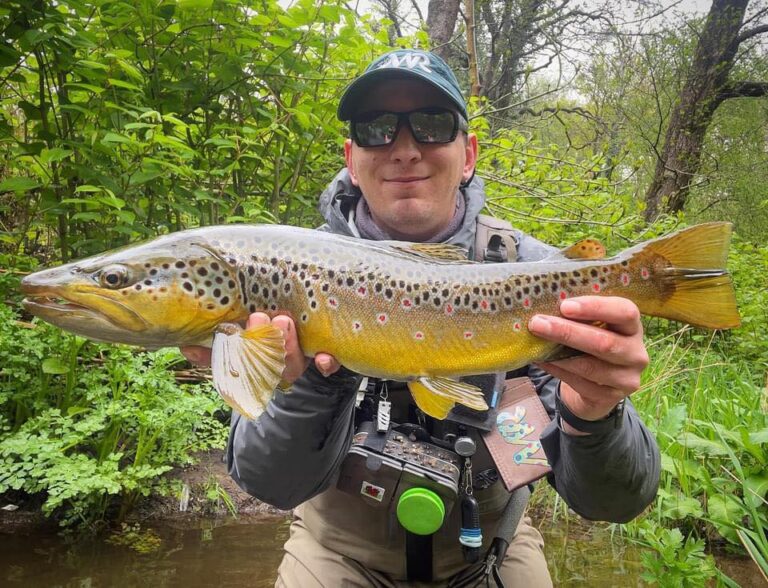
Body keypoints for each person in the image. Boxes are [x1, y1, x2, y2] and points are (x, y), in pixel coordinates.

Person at [183, 49, 660, 587]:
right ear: (351, 158)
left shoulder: (538, 277)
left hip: (493, 549)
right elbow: (270, 484)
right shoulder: (285, 270)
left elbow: (616, 502)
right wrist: (311, 383)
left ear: (469, 154)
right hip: (338, 552)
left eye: (432, 125)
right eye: (376, 128)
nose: (404, 149)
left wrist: (595, 413)